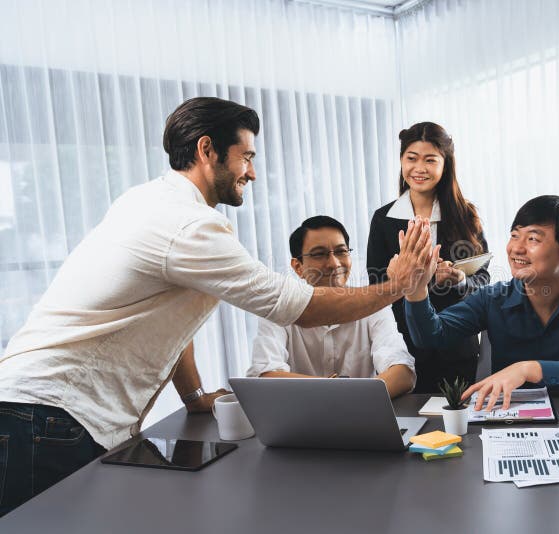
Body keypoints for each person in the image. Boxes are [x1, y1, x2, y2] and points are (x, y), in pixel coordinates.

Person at [0, 97, 435, 516]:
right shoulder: (188, 225)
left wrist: (192, 396)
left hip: (38, 410)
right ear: (207, 150)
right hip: (48, 415)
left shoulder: (148, 201)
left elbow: (170, 321)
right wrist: (396, 285)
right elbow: (295, 306)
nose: (253, 172)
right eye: (246, 156)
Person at [405, 195, 559, 411]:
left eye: (533, 239)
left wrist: (529, 369)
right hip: (508, 421)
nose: (516, 248)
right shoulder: (491, 298)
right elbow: (431, 335)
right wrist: (416, 289)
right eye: (514, 235)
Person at [367, 122, 490, 393]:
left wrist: (459, 280)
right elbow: (375, 282)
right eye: (411, 159)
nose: (419, 168)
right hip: (403, 346)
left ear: (445, 165)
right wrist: (407, 277)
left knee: (459, 423)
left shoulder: (465, 216)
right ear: (401, 161)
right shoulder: (383, 219)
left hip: (457, 343)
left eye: (430, 160)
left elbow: (483, 279)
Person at [247, 216, 416, 397]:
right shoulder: (278, 309)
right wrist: (336, 391)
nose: (334, 264)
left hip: (360, 414)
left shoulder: (373, 305)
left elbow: (403, 372)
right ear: (298, 267)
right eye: (319, 254)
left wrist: (348, 398)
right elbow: (264, 376)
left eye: (341, 251)